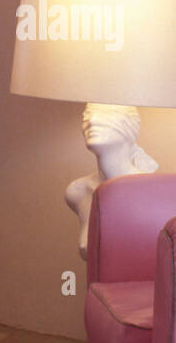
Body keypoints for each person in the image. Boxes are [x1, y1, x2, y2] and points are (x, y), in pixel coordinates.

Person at [64, 104, 158, 259]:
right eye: (87, 116)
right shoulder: (78, 191)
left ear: (128, 128)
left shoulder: (151, 191)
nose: (92, 121)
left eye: (104, 117)